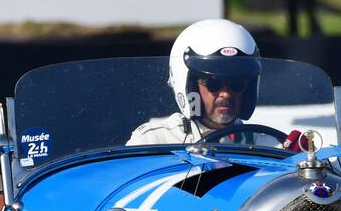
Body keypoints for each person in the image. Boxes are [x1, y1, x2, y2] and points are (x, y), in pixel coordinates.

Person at [129, 18, 304, 148]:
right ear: (188, 84)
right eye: (213, 83)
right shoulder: (152, 142)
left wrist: (299, 161)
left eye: (236, 83)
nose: (226, 94)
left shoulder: (269, 146)